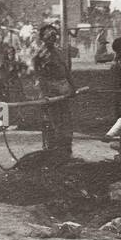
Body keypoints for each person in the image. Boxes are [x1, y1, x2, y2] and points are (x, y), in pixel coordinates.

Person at [32, 24, 75, 157]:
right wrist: (44, 94)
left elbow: (67, 71)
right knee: (52, 122)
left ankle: (66, 151)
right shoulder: (39, 55)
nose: (53, 37)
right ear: (43, 38)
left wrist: (73, 87)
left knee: (66, 121)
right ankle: (52, 152)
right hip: (50, 93)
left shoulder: (60, 52)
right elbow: (37, 76)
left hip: (64, 91)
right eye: (49, 35)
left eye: (54, 35)